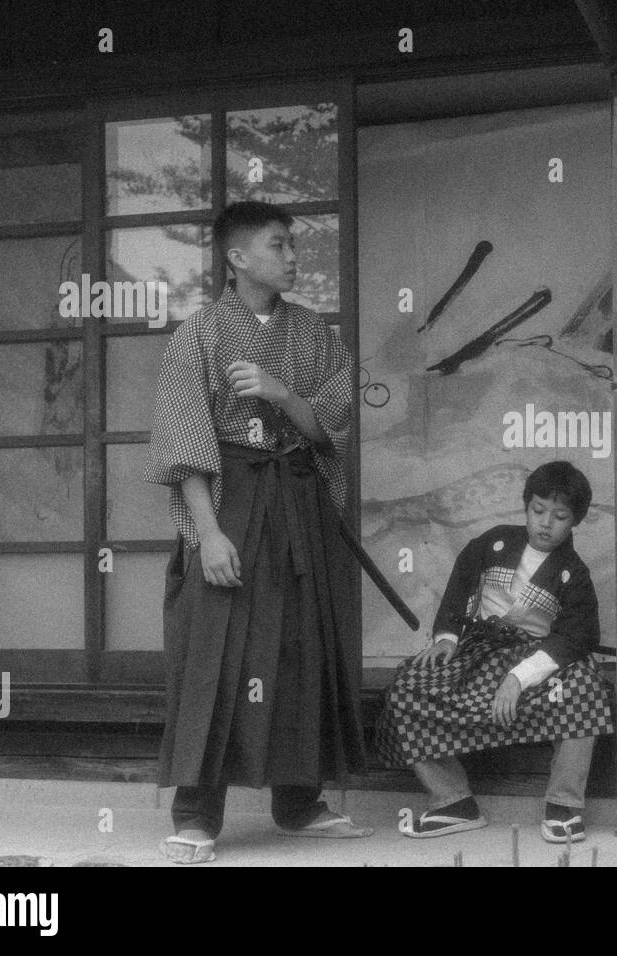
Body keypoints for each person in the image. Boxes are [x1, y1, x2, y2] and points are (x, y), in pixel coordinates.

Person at [144, 200, 370, 864]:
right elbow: (185, 444)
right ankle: (195, 814)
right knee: (216, 652)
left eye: (294, 244)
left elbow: (333, 422)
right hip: (231, 500)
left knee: (302, 648)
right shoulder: (201, 333)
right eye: (280, 244)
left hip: (298, 503)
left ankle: (298, 803)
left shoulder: (315, 332)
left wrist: (279, 392)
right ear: (239, 257)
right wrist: (208, 535)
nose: (294, 255)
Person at [376, 460, 612, 843]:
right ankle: (452, 801)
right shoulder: (493, 542)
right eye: (538, 511)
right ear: (525, 507)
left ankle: (563, 805)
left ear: (575, 522)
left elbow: (575, 637)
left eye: (560, 516)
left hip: (535, 662)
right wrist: (446, 639)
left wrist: (519, 678)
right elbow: (457, 595)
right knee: (408, 685)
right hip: (480, 653)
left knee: (586, 687)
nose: (545, 523)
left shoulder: (573, 573)